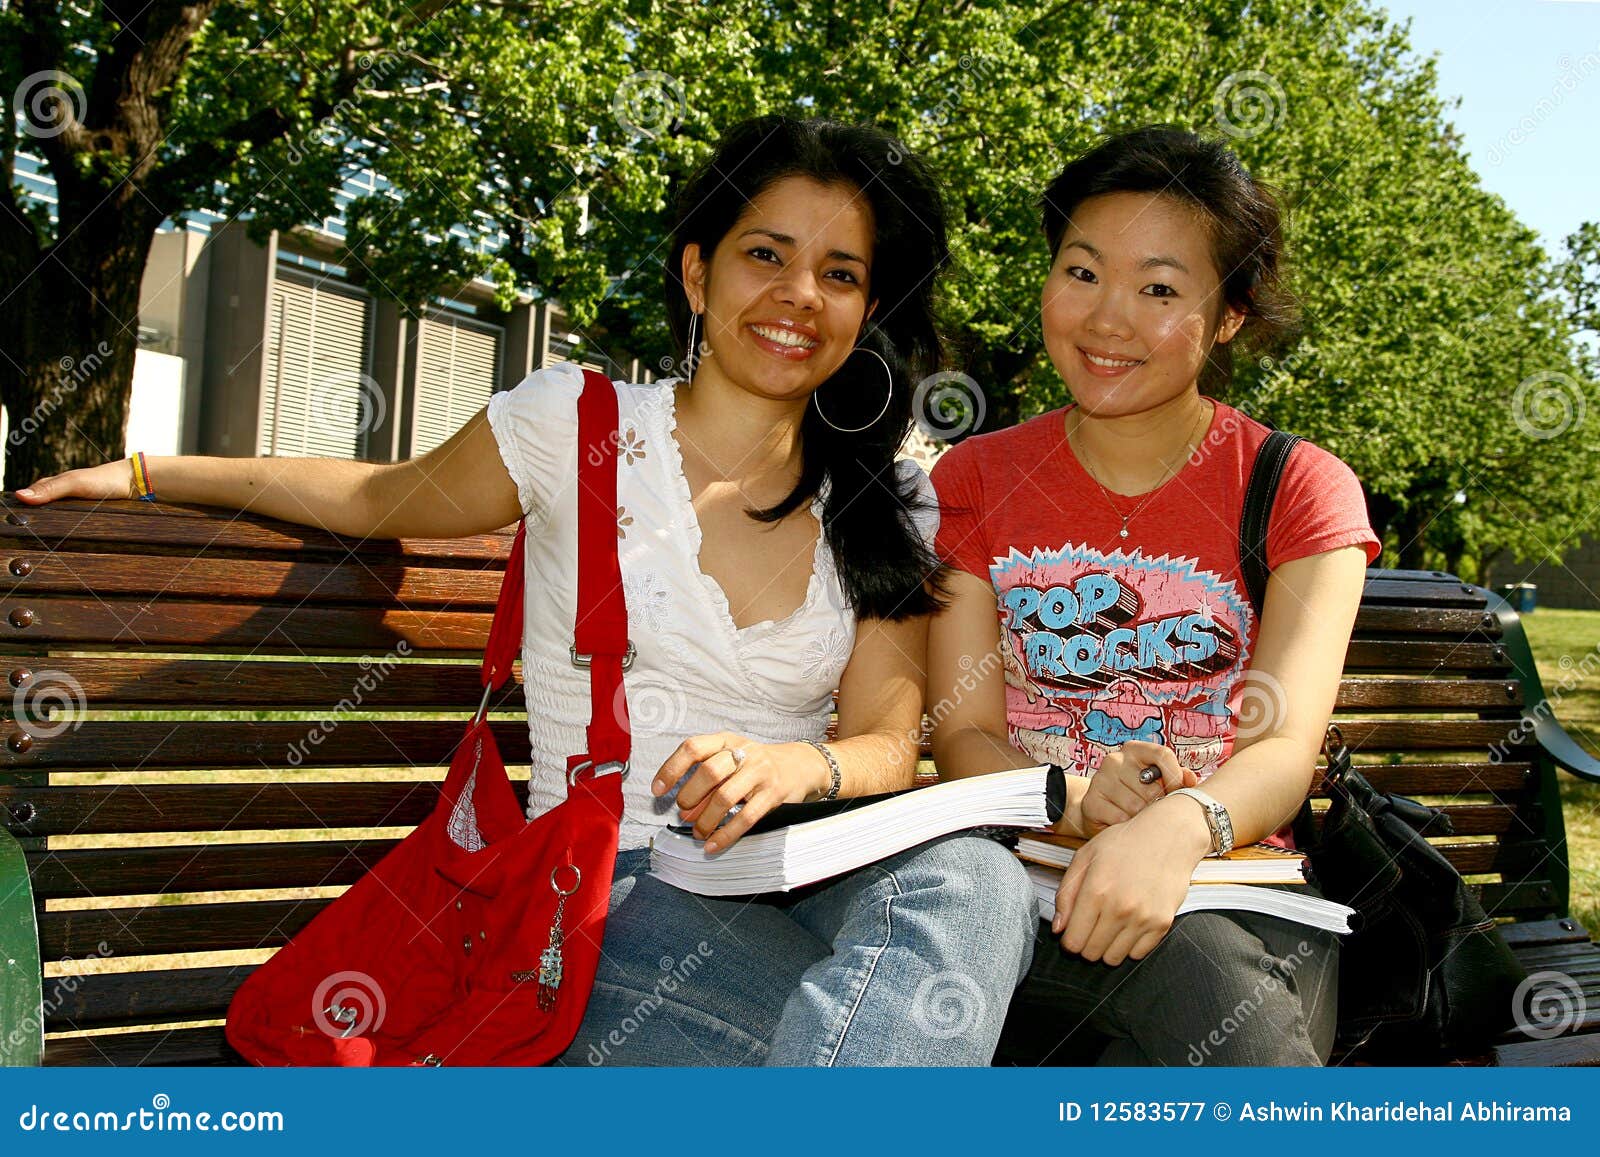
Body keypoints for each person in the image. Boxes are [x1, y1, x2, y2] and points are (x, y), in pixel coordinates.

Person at [16, 116, 1036, 1067]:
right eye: (765, 254)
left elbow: (886, 744)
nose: (800, 293)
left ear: (866, 310)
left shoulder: (883, 496)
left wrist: (796, 763)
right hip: (609, 890)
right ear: (697, 272)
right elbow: (380, 494)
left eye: (840, 273)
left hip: (802, 872)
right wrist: (148, 473)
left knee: (980, 876)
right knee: (876, 1043)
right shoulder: (577, 427)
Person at [925, 126, 1381, 1066]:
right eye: (1082, 272)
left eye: (1161, 290)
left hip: (1238, 893)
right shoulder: (975, 478)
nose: (1108, 319)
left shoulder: (1296, 488)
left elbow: (1283, 745)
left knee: (1212, 988)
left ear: (1229, 315)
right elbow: (963, 730)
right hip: (1021, 886)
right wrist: (1077, 802)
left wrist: (1181, 824)